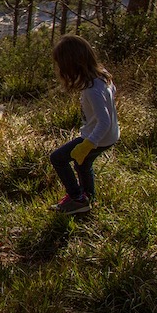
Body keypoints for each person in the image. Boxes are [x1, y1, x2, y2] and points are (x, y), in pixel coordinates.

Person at [48, 34, 119, 215]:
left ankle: (77, 198)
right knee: (82, 165)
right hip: (109, 136)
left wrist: (88, 144)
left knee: (58, 158)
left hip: (98, 137)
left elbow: (104, 121)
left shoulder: (92, 90)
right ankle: (88, 197)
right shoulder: (102, 77)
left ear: (72, 64)